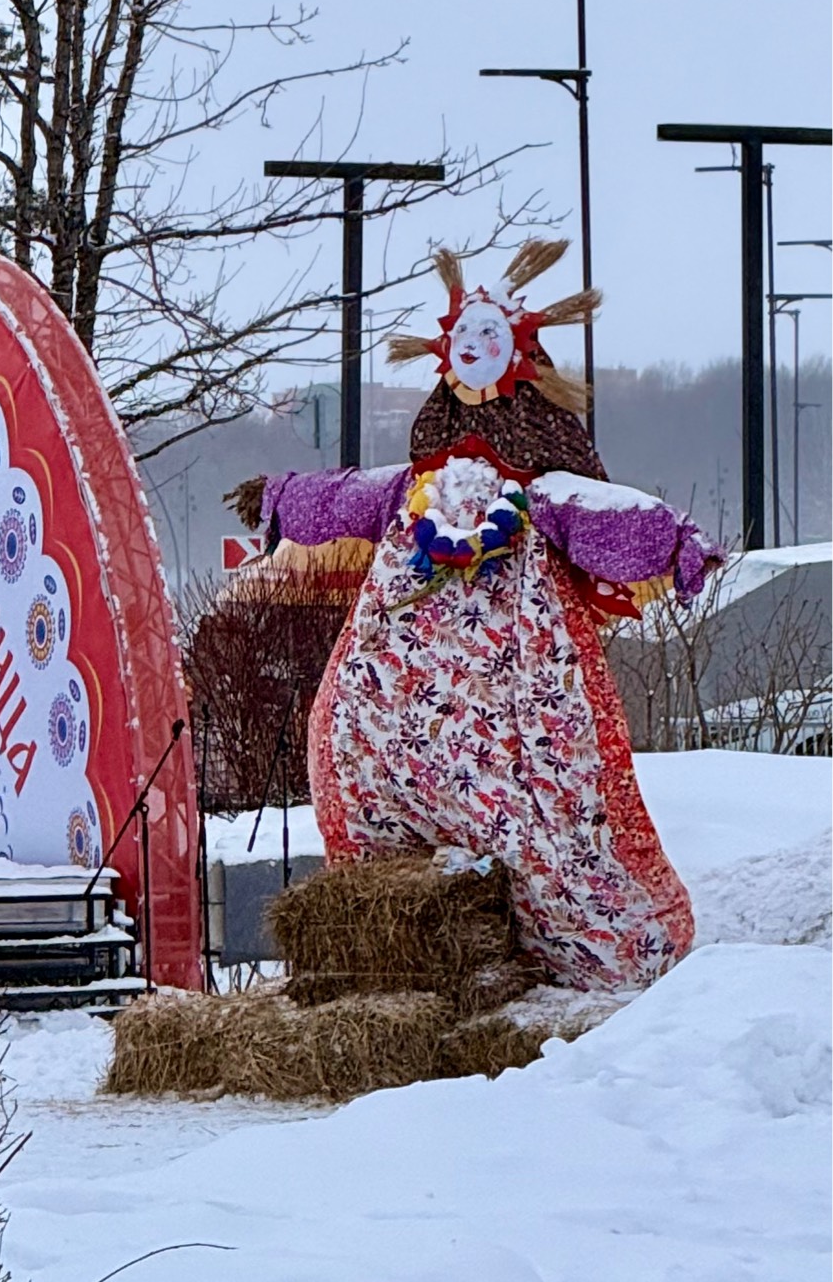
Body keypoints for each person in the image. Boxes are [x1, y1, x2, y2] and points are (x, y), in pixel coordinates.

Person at [228, 240, 723, 991]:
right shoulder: (412, 488)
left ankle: (563, 939)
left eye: (489, 341)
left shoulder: (541, 489)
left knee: (544, 795)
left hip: (516, 668)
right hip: (405, 676)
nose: (472, 352)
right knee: (361, 754)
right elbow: (348, 494)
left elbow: (600, 515)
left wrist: (674, 545)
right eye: (463, 341)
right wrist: (278, 498)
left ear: (518, 358)